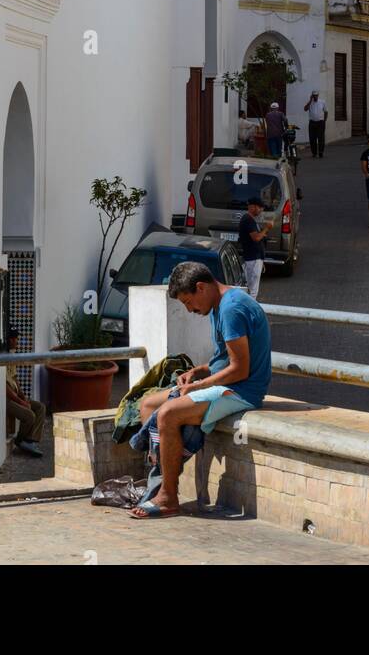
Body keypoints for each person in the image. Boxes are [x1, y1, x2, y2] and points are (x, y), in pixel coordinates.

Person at [130, 263, 272, 519]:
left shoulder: (232, 309)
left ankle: (168, 498)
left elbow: (240, 370)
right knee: (149, 405)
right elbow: (224, 359)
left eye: (188, 302)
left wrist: (198, 386)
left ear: (201, 287)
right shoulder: (220, 304)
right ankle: (159, 481)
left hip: (241, 390)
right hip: (225, 383)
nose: (190, 310)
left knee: (167, 414)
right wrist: (198, 371)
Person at [5, 328, 46, 458]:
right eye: (12, 339)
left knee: (40, 407)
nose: (14, 342)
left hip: (15, 396)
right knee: (29, 415)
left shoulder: (12, 355)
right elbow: (5, 388)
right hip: (7, 400)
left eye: (16, 339)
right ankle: (20, 441)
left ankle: (30, 440)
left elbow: (15, 378)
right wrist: (21, 402)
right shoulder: (1, 358)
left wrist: (23, 396)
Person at [237, 192, 273, 298]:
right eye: (260, 207)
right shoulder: (248, 220)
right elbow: (256, 238)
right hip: (252, 258)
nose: (261, 210)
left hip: (255, 258)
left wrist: (261, 259)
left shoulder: (251, 220)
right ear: (252, 207)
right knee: (252, 290)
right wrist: (267, 228)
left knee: (252, 288)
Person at [304, 89, 328, 158]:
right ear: (312, 96)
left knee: (321, 138)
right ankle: (314, 153)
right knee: (312, 138)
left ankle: (321, 152)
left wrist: (324, 120)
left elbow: (326, 111)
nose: (315, 97)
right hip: (312, 122)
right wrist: (310, 100)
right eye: (314, 96)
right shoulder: (310, 103)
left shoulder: (322, 102)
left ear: (318, 95)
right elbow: (305, 109)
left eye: (316, 96)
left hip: (320, 122)